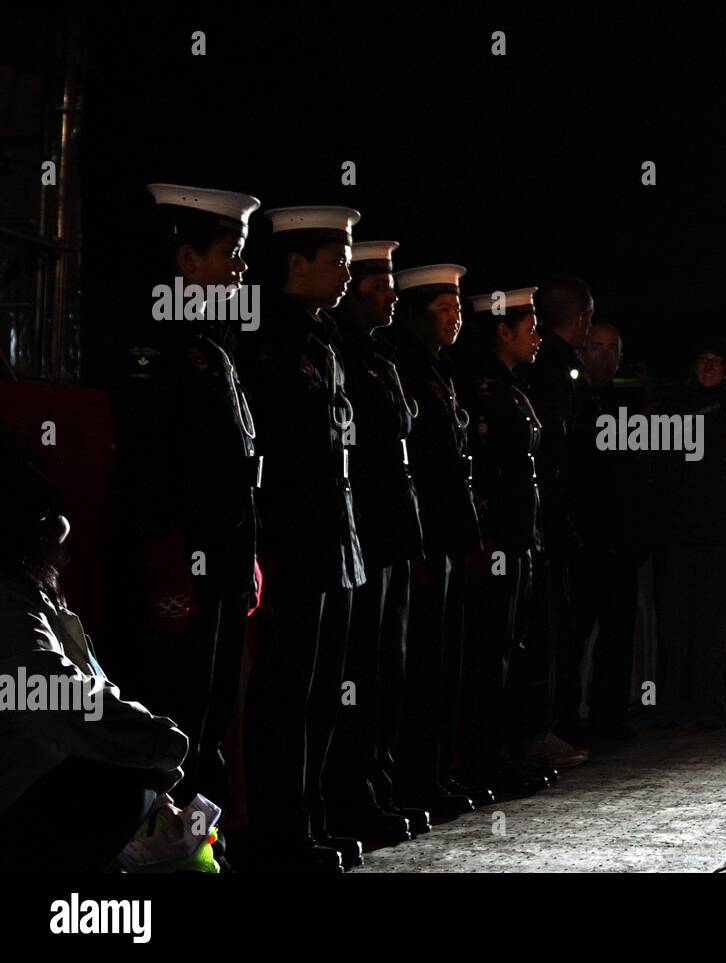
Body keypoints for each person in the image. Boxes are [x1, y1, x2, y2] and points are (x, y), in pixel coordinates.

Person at [112, 184, 261, 815]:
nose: (242, 267)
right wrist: (167, 555)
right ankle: (163, 842)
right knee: (175, 706)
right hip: (182, 553)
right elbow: (149, 463)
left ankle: (204, 840)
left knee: (212, 709)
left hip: (221, 551)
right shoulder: (152, 343)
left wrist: (245, 552)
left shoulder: (211, 343)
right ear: (187, 260)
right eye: (231, 251)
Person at [238, 205, 366, 872]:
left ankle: (309, 820)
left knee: (322, 692)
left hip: (331, 537)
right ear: (295, 264)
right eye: (336, 260)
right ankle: (278, 832)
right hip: (292, 541)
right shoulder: (268, 341)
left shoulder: (323, 339)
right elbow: (277, 456)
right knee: (285, 694)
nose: (346, 273)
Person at [0, 451, 189, 872]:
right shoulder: (9, 604)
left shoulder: (30, 596)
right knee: (124, 788)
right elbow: (50, 697)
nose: (64, 525)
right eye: (49, 514)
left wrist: (159, 790)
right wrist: (159, 745)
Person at [327, 240, 423, 844]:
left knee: (389, 665)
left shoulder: (377, 355)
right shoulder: (339, 351)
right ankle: (351, 795)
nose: (390, 296)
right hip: (361, 530)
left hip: (388, 532)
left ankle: (379, 786)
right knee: (357, 672)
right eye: (378, 285)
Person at [389, 263, 489, 816]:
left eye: (456, 309)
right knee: (420, 664)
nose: (455, 318)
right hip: (425, 534)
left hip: (448, 533)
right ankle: (413, 779)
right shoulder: (405, 366)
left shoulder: (437, 368)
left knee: (445, 660)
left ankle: (435, 773)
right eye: (443, 309)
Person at [458, 287, 553, 795]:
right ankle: (485, 760)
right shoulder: (482, 389)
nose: (537, 337)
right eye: (529, 328)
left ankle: (507, 754)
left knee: (511, 648)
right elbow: (486, 471)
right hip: (497, 537)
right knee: (490, 652)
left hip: (519, 536)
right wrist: (489, 534)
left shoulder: (513, 387)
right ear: (502, 331)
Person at [654, 336, 726, 729]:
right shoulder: (672, 409)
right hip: (676, 532)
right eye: (702, 359)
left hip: (720, 532)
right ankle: (670, 701)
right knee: (674, 620)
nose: (708, 367)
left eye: (716, 361)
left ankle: (709, 701)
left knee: (713, 620)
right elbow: (654, 469)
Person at [569, 321, 651, 738]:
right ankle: (564, 719)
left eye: (611, 348)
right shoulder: (569, 402)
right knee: (574, 634)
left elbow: (641, 477)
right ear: (582, 352)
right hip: (581, 541)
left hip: (621, 540)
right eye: (596, 347)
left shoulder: (630, 406)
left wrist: (638, 534)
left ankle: (609, 716)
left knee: (618, 632)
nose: (604, 355)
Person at [527, 279, 594, 761]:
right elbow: (559, 454)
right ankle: (548, 726)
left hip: (552, 516)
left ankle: (554, 724)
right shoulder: (554, 368)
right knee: (553, 629)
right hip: (552, 518)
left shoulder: (552, 365)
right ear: (581, 317)